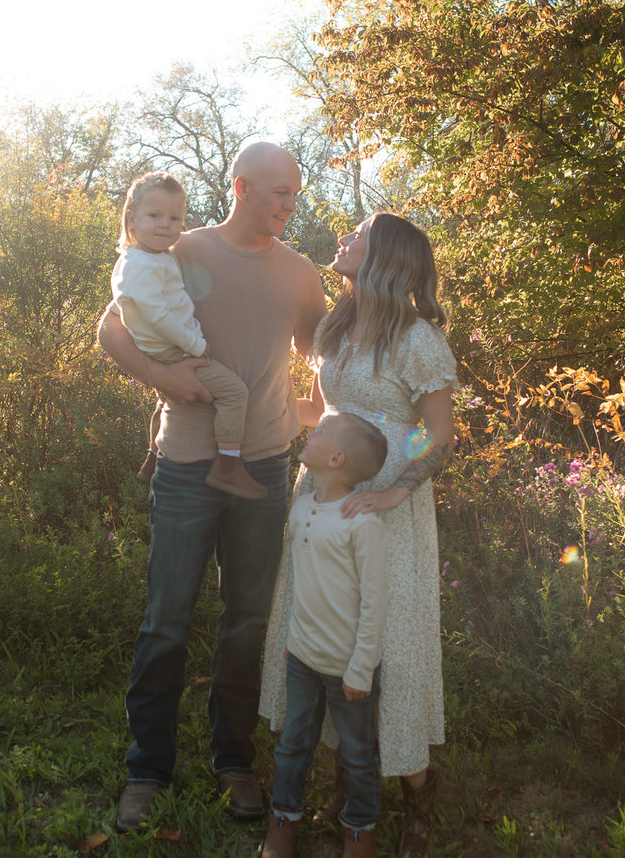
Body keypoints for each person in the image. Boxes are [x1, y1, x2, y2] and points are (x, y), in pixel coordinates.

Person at [96, 142, 327, 832]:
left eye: (295, 195)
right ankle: (147, 768)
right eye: (280, 193)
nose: (290, 205)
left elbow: (327, 353)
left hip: (266, 466)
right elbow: (111, 329)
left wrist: (314, 415)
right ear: (240, 185)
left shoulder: (299, 271)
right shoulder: (180, 247)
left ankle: (235, 759)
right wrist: (165, 380)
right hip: (187, 465)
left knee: (249, 619)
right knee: (166, 618)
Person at [260, 212, 458, 858]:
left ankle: (417, 797)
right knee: (322, 635)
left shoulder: (418, 340)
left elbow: (435, 432)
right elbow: (328, 410)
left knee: (388, 652)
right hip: (325, 496)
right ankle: (350, 784)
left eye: (360, 232)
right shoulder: (336, 327)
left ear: (388, 258)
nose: (344, 237)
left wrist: (397, 485)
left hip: (386, 511)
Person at [262, 412, 390, 858]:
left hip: (347, 668)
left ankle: (359, 829)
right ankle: (283, 820)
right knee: (293, 744)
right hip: (302, 658)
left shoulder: (362, 523)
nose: (309, 430)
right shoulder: (300, 508)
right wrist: (292, 642)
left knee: (358, 754)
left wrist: (361, 668)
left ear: (336, 458)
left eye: (319, 431)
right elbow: (301, 583)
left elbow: (376, 602)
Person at [111, 170, 266, 500]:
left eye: (175, 217)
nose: (166, 225)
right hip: (174, 350)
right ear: (132, 220)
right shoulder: (141, 265)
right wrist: (195, 345)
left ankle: (152, 458)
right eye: (155, 216)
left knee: (164, 398)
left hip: (166, 348)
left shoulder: (149, 257)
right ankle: (228, 467)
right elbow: (156, 315)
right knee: (235, 393)